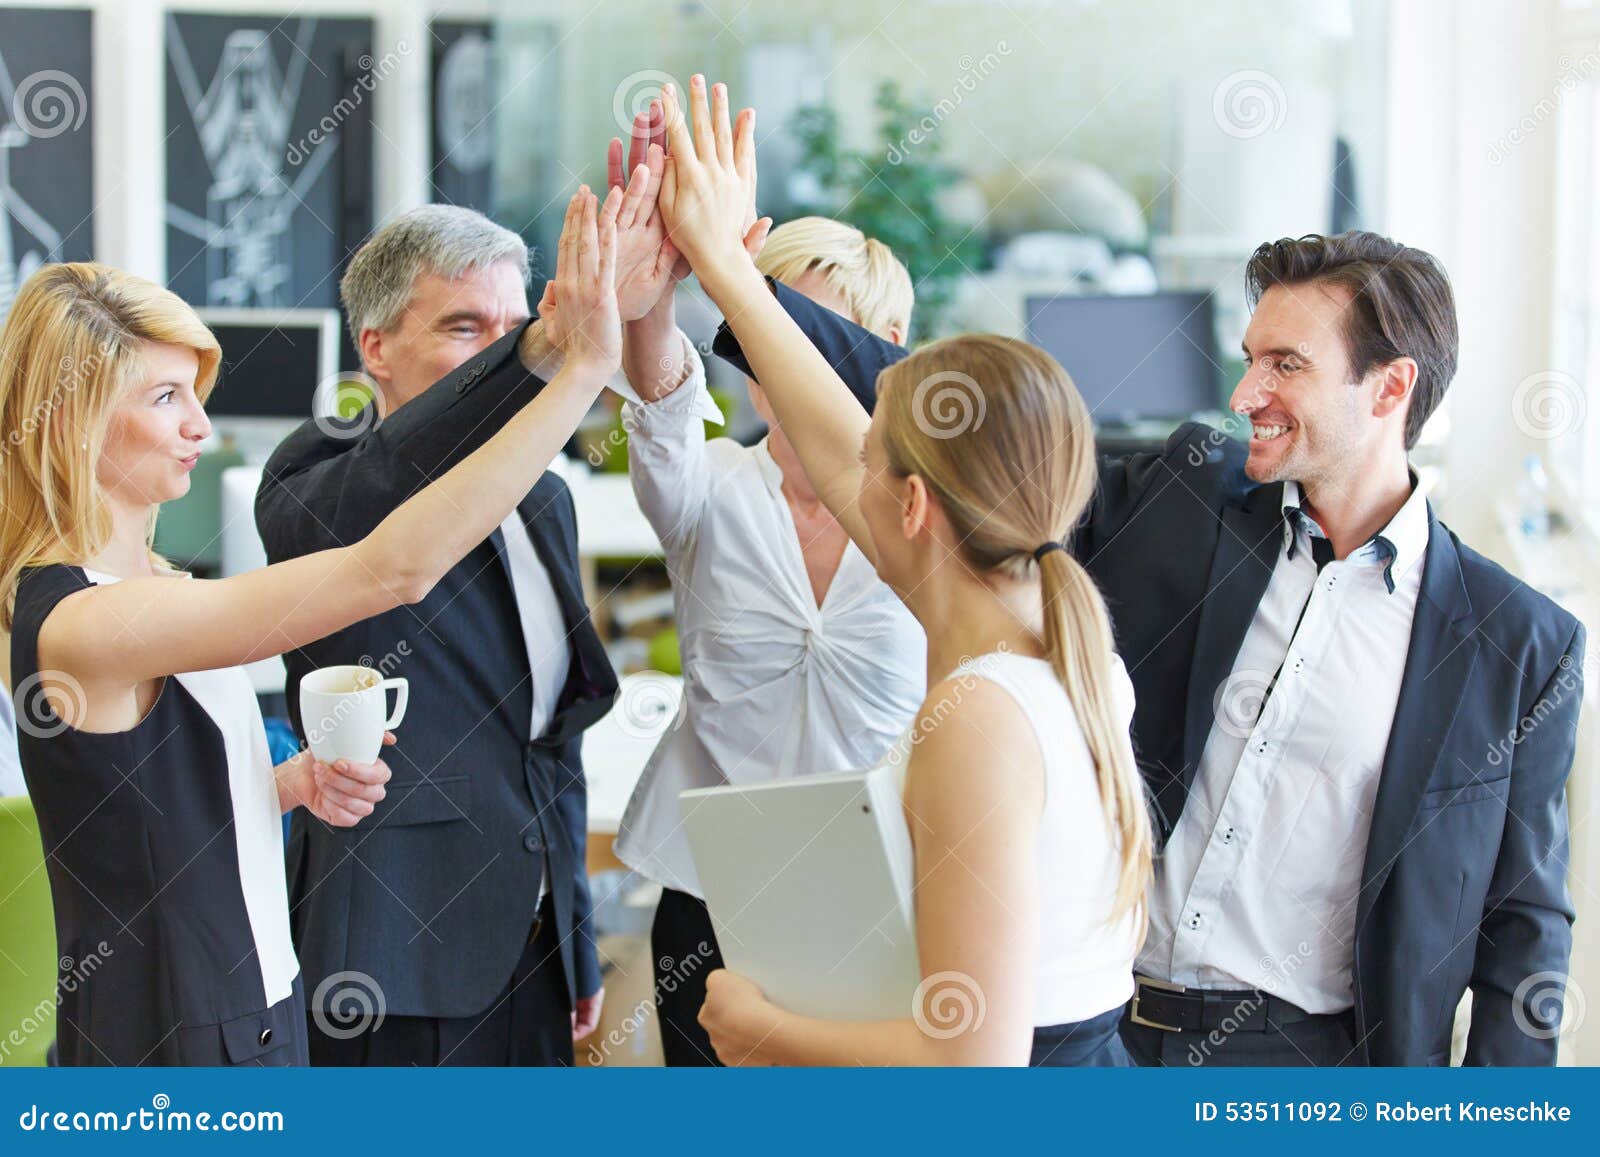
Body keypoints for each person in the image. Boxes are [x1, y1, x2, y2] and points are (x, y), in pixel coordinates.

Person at [711, 219, 1585, 1065]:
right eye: (1250, 359)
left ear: (1390, 388)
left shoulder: (1516, 644)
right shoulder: (1188, 500)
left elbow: (1524, 928)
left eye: (1286, 364)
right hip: (1106, 1030)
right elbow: (965, 436)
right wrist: (742, 289)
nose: (1245, 395)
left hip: (1307, 1067)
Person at [0, 188, 623, 1065]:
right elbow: (391, 569)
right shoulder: (87, 618)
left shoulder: (148, 587)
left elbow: (158, 812)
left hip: (253, 1006)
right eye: (166, 396)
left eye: (194, 392)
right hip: (173, 1036)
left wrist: (289, 785)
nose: (199, 425)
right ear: (73, 418)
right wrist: (581, 369)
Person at [655, 76, 1154, 1067]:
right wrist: (721, 268)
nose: (849, 467)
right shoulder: (1060, 648)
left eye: (872, 450)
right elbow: (829, 435)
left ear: (914, 504)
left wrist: (760, 1031)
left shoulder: (980, 715)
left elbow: (971, 1062)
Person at [254, 166, 671, 1065]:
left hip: (533, 946)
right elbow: (398, 477)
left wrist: (574, 932)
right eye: (463, 327)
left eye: (513, 328)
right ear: (375, 347)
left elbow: (549, 740)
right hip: (392, 953)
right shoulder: (321, 475)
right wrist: (551, 353)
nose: (500, 351)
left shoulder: (545, 499)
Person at [612, 210, 927, 1066]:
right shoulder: (710, 487)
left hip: (883, 894)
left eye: (805, 333)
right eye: (758, 328)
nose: (776, 358)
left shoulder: (929, 516)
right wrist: (652, 293)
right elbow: (664, 404)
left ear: (887, 346)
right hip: (713, 897)